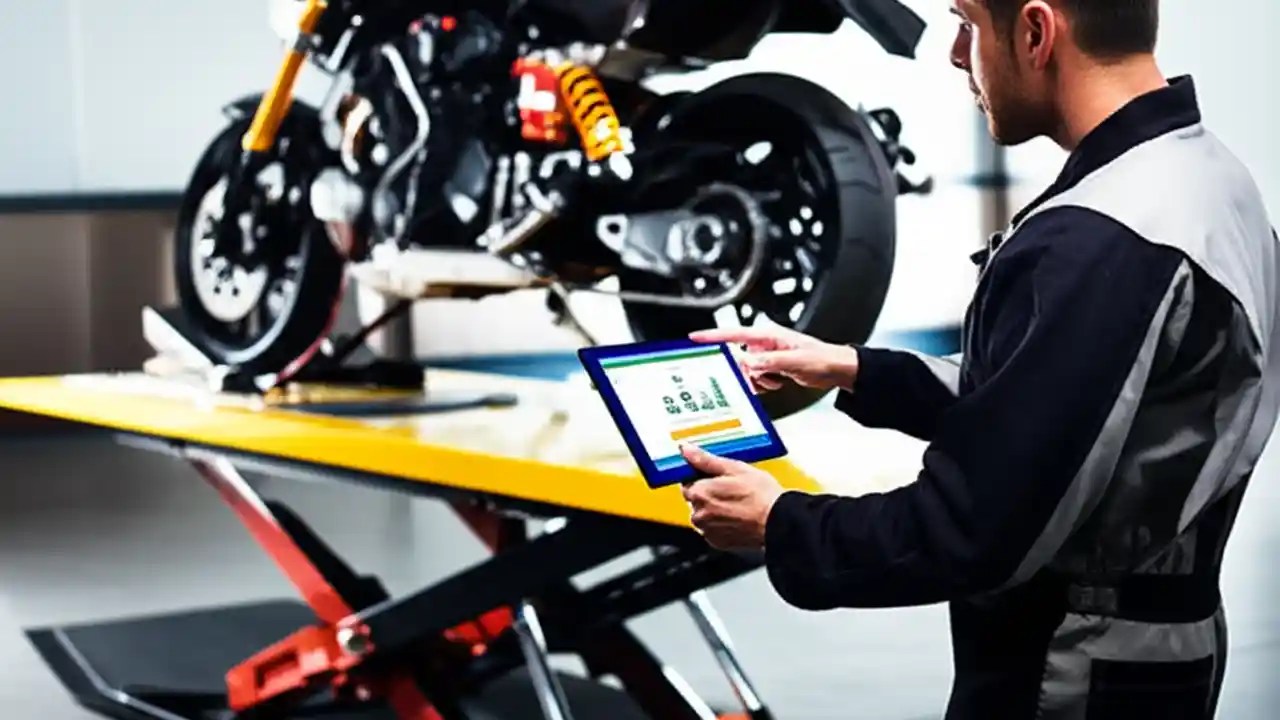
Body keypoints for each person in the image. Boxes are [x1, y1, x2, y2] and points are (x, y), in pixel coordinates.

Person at [678, 0, 1280, 717]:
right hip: (1152, 650)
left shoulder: (1105, 236)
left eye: (967, 25)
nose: (957, 54)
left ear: (1034, 32)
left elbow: (976, 528)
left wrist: (782, 524)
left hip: (1070, 673)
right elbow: (1068, 409)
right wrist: (851, 367)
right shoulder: (1206, 181)